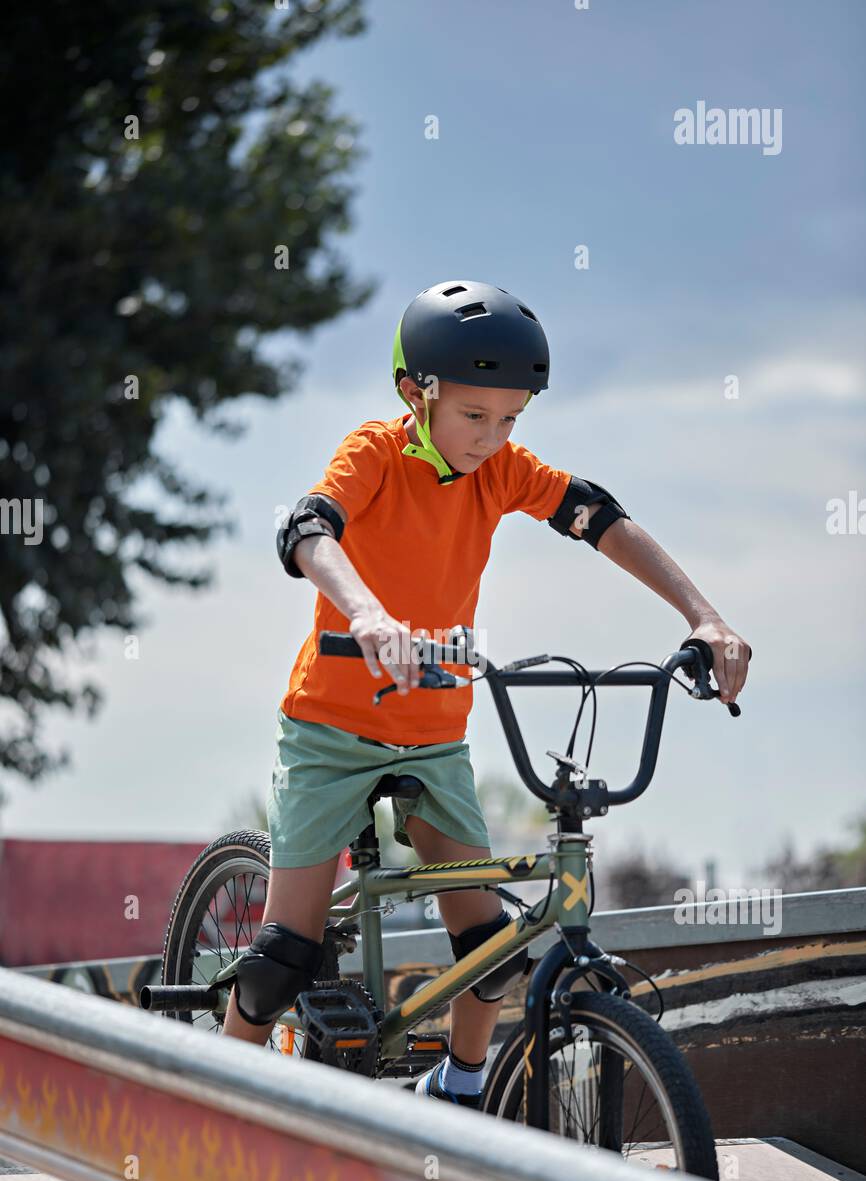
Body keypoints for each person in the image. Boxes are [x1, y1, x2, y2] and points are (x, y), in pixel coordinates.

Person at [221, 279, 750, 1107]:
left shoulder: (500, 472)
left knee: (492, 949)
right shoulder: (376, 453)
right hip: (331, 728)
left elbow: (598, 516)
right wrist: (364, 614)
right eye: (475, 416)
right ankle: (215, 1091)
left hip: (434, 739)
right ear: (416, 393)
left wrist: (706, 616)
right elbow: (309, 530)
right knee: (286, 955)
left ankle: (459, 1092)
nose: (492, 438)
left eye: (510, 420)